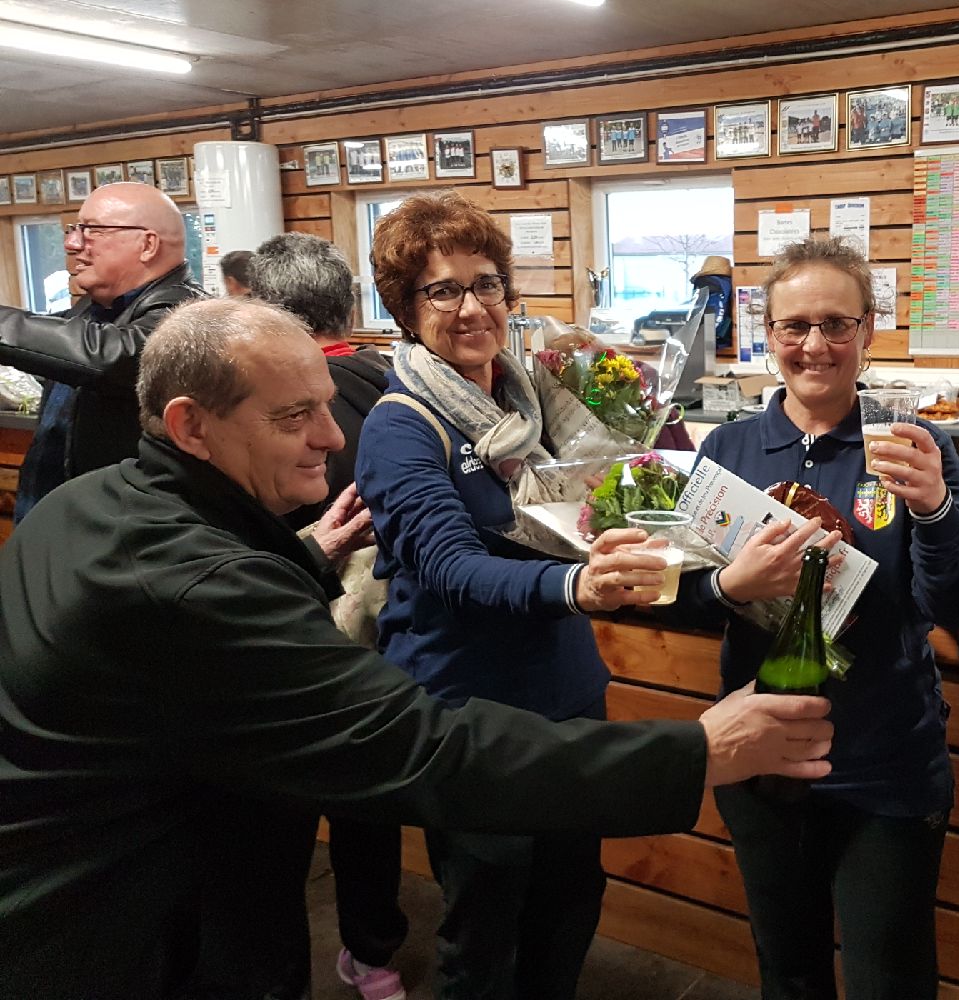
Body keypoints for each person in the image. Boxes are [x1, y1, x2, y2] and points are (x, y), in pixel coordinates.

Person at [0, 298, 833, 1000]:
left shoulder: (90, 501)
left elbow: (174, 627)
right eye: (296, 417)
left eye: (327, 405)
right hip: (126, 940)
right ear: (191, 426)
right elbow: (426, 750)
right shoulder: (208, 581)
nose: (333, 438)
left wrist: (299, 555)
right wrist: (699, 750)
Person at [355, 189, 683, 1000]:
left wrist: (639, 420)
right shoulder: (403, 425)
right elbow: (452, 567)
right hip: (470, 712)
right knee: (486, 925)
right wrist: (578, 583)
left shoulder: (533, 399)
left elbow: (632, 470)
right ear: (405, 306)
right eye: (443, 289)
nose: (472, 307)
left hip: (565, 695)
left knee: (569, 903)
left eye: (487, 282)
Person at [668, 236, 959, 999]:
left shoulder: (912, 445)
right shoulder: (731, 447)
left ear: (869, 330)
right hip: (760, 754)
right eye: (795, 326)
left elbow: (952, 604)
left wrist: (936, 510)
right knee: (789, 969)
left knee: (890, 977)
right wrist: (730, 588)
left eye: (837, 325)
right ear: (767, 333)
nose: (815, 345)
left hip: (886, 760)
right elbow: (684, 599)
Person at [215, 232, 407, 1000]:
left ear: (262, 314)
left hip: (294, 628)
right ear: (348, 303)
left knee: (279, 817)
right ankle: (377, 956)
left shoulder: (266, 409)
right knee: (369, 796)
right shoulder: (397, 382)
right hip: (394, 627)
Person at [0, 180, 204, 521]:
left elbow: (113, 357)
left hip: (127, 529)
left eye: (91, 230)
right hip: (61, 518)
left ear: (147, 244)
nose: (71, 243)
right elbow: (50, 344)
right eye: (73, 230)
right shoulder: (93, 309)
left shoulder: (187, 313)